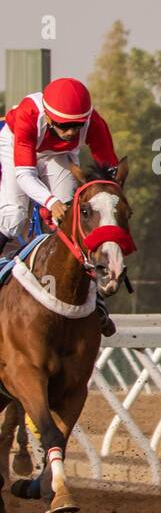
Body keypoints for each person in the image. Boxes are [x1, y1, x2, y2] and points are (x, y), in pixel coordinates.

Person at [0, 77, 120, 334]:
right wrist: (50, 201)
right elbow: (25, 175)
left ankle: (94, 296)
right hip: (16, 146)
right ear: (49, 117)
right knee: (14, 217)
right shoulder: (29, 115)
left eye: (78, 125)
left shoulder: (94, 122)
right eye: (65, 126)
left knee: (68, 220)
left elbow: (110, 173)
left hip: (58, 155)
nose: (72, 132)